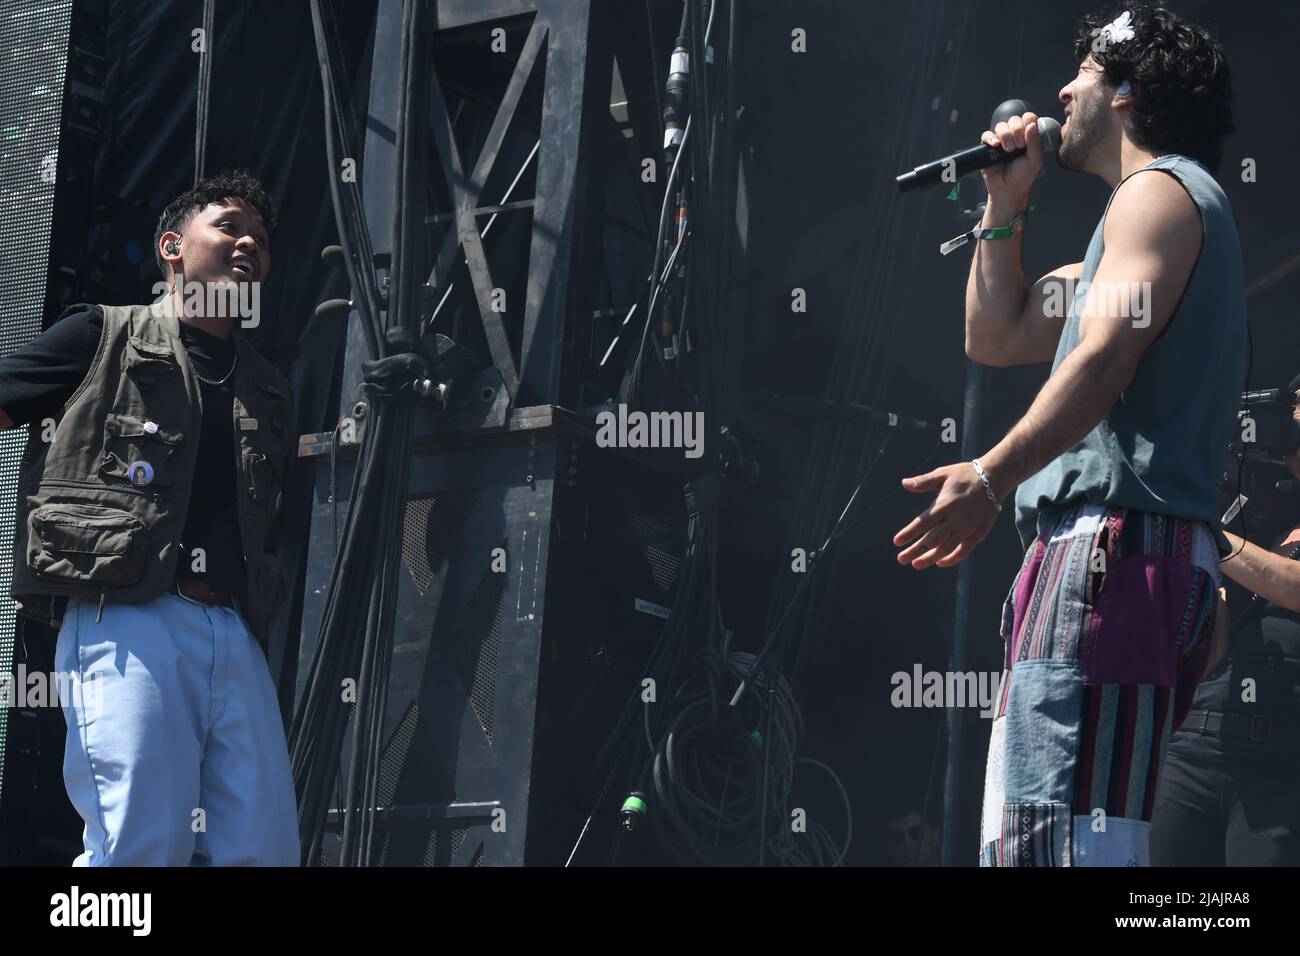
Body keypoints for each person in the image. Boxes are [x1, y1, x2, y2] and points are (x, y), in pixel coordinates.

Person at [891, 3, 1244, 865]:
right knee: (1067, 836)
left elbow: (1103, 361)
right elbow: (998, 332)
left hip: (1114, 552)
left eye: (1082, 69)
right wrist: (1004, 202)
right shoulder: (1128, 230)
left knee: (1054, 843)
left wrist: (991, 474)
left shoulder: (1160, 194)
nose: (1061, 89)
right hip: (1114, 558)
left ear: (1126, 92)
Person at [1, 169, 300, 865]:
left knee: (264, 849)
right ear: (172, 246)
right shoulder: (100, 336)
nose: (246, 244)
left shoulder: (268, 386)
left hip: (231, 628)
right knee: (138, 843)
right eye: (228, 227)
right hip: (131, 615)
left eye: (259, 238)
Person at [1151, 388, 1300, 865]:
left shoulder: (1230, 539)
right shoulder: (1251, 515)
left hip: (1282, 762)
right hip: (1195, 741)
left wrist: (1213, 537)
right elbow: (1210, 654)